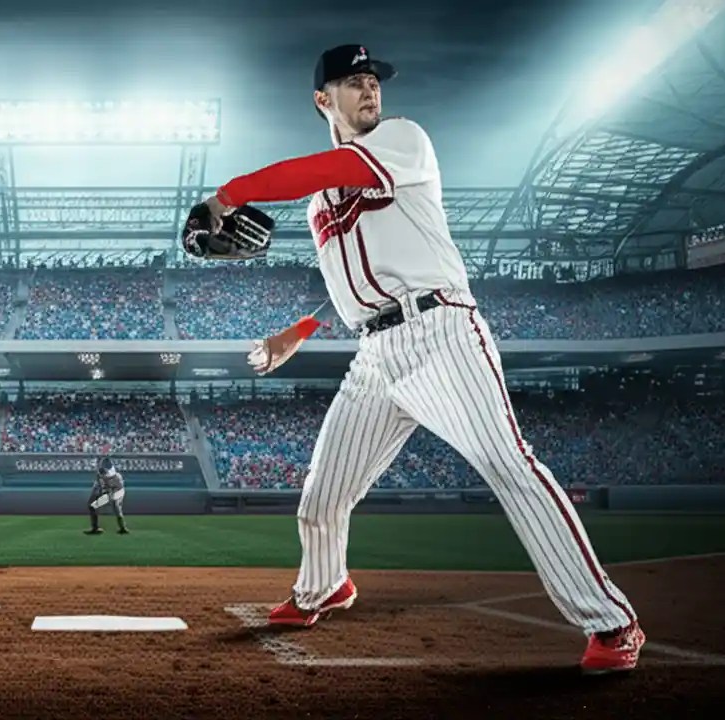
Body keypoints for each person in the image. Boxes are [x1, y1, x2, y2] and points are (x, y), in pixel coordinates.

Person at [201, 44, 644, 675]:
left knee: (509, 465)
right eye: (353, 82)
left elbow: (316, 170)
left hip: (439, 332)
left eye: (373, 80)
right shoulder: (320, 202)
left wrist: (228, 196)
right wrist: (296, 333)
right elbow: (349, 284)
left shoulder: (403, 140)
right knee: (323, 494)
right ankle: (324, 586)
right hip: (374, 354)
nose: (369, 90)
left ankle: (611, 619)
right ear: (323, 100)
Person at [84, 456, 129, 535]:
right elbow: (99, 488)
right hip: (109, 492)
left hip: (117, 492)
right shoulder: (100, 476)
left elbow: (118, 490)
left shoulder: (116, 477)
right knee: (92, 506)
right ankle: (95, 528)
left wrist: (107, 493)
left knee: (116, 505)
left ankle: (123, 527)